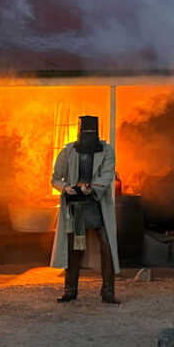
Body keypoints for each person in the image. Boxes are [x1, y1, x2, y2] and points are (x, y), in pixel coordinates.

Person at [50, 116, 120, 304]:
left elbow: (107, 176)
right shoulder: (67, 152)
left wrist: (93, 188)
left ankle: (108, 292)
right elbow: (56, 178)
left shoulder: (106, 151)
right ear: (79, 131)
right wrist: (65, 187)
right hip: (77, 207)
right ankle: (70, 290)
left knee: (107, 247)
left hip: (98, 205)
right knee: (74, 249)